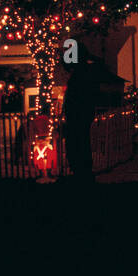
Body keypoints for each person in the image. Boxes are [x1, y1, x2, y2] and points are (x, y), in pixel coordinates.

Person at [60, 49, 100, 184]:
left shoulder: (80, 76)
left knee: (78, 143)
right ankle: (82, 170)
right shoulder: (83, 74)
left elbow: (78, 98)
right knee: (81, 143)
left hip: (77, 116)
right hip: (79, 116)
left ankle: (81, 171)